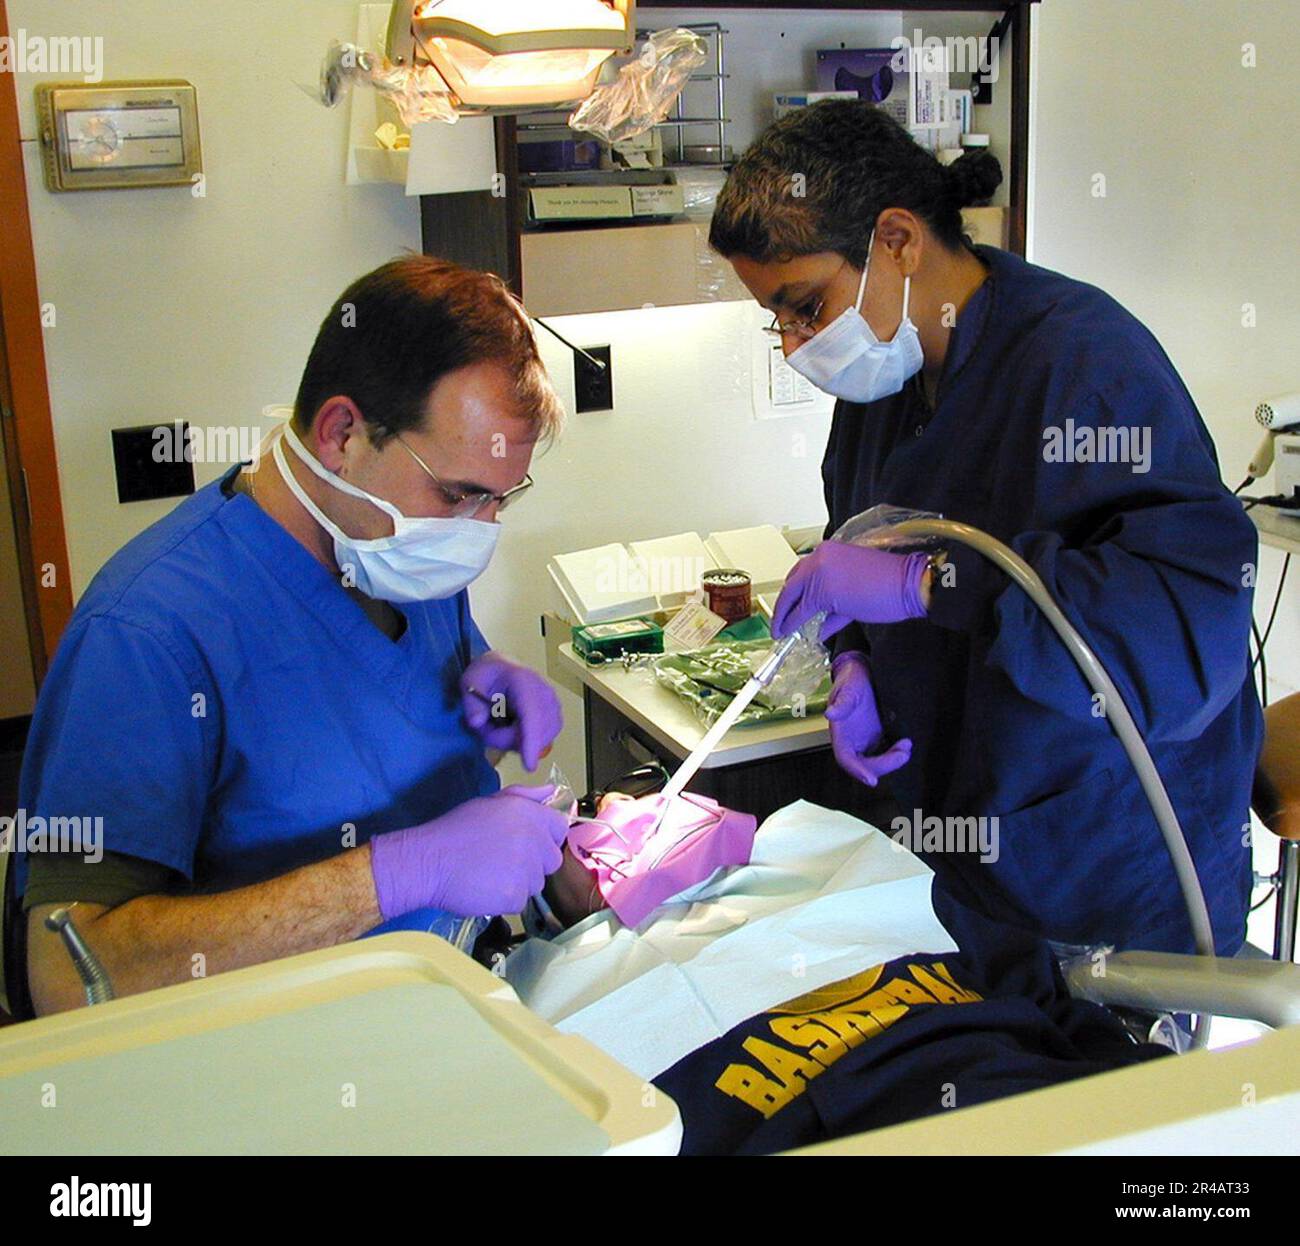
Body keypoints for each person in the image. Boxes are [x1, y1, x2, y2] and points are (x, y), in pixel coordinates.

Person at [707, 100, 1262, 955]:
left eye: (806, 307)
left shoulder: (1086, 370)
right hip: (969, 848)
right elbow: (863, 534)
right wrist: (853, 656)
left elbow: (1188, 630)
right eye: (776, 319)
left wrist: (928, 584)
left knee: (1107, 1086)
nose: (794, 346)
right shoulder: (888, 381)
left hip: (1106, 855)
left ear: (896, 240)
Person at [19, 257, 571, 1014]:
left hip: (461, 997)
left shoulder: (392, 549)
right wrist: (391, 877)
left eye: (501, 499)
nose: (481, 531)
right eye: (460, 494)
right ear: (342, 432)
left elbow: (377, 680)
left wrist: (483, 674)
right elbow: (68, 976)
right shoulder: (148, 633)